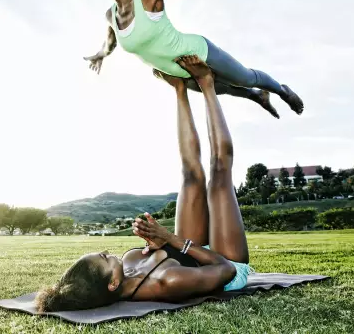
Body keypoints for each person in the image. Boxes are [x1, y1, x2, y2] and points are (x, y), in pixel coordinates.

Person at [36, 55, 251, 312]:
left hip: (189, 253)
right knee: (219, 173)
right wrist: (170, 238)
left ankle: (180, 89)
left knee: (191, 176)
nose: (107, 251)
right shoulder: (166, 282)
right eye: (104, 258)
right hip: (223, 265)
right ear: (113, 283)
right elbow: (224, 269)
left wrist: (160, 243)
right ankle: (206, 83)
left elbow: (172, 250)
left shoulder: (126, 263)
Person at [84, 0, 311, 118]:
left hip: (198, 52)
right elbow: (110, 42)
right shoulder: (110, 15)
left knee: (245, 78)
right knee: (226, 90)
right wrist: (100, 54)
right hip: (178, 71)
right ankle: (257, 96)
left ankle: (281, 91)